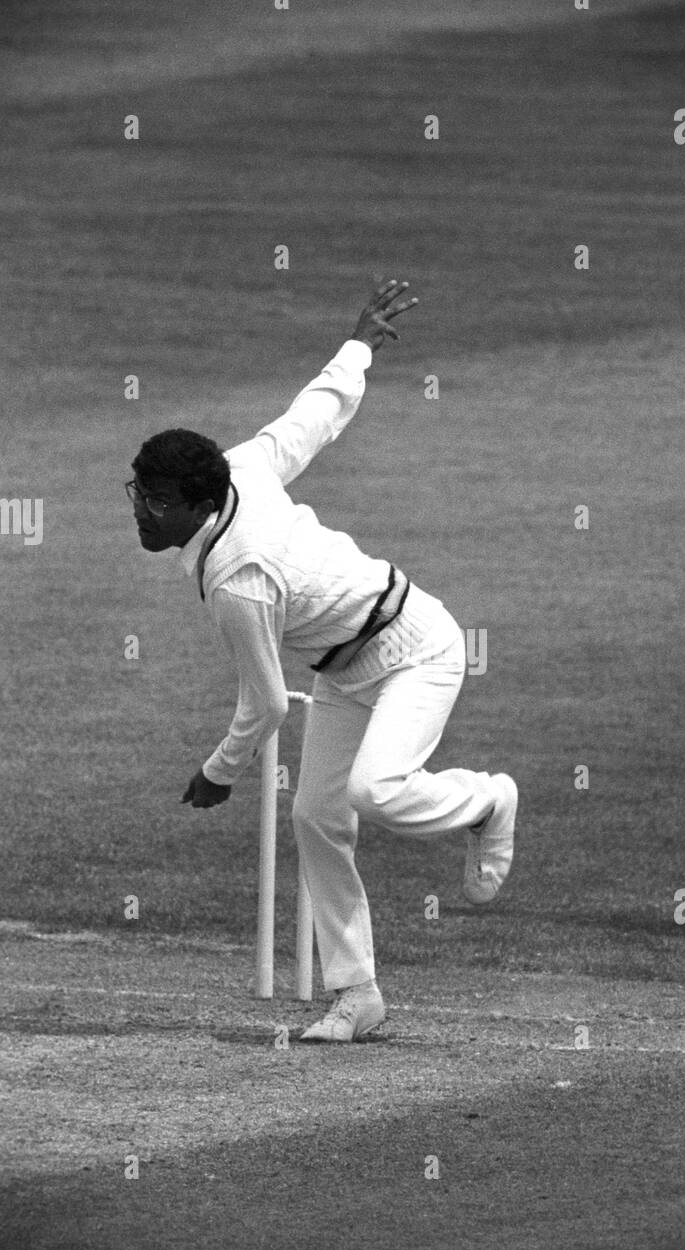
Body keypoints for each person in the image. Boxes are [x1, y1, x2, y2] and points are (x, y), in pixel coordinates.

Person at [126, 280, 518, 1038]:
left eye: (156, 499)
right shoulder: (237, 468)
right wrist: (359, 343)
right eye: (138, 492)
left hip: (416, 646)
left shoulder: (239, 581)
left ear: (200, 505)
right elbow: (315, 414)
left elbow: (266, 705)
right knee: (315, 817)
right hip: (343, 670)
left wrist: (218, 772)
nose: (141, 511)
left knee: (375, 791)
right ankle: (358, 993)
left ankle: (487, 800)